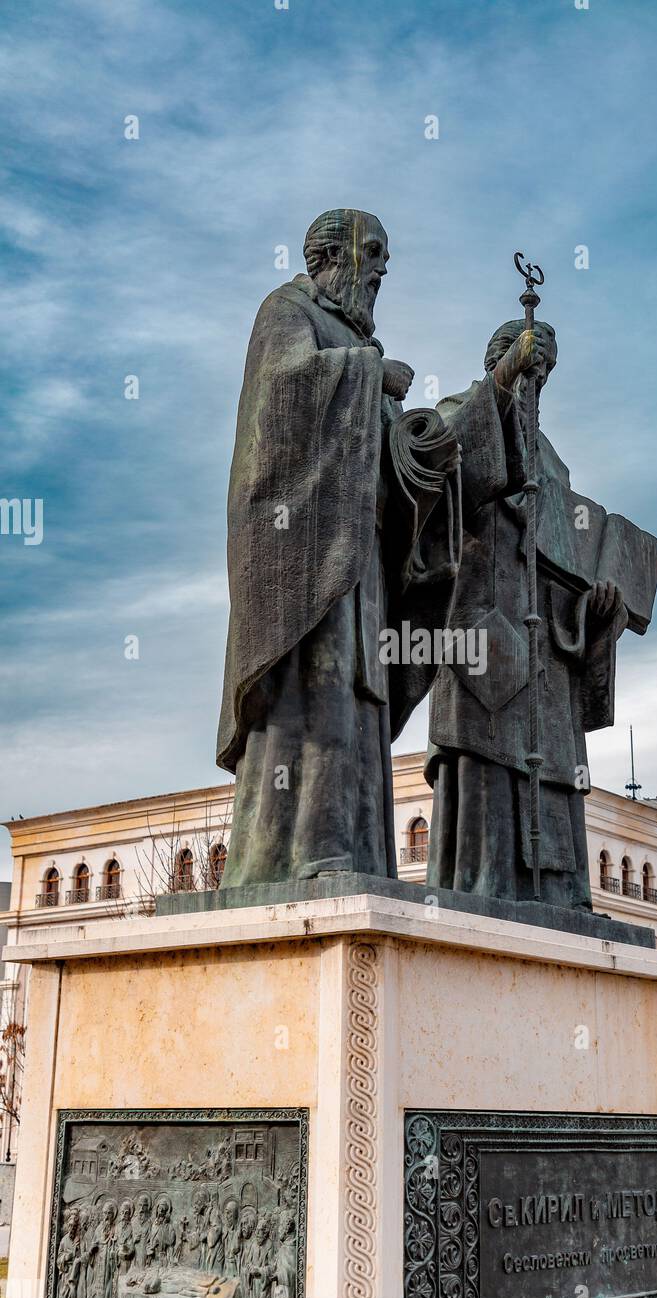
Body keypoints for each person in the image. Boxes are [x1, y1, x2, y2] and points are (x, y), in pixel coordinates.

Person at [218, 208, 460, 886]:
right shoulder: (287, 310)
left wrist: (415, 446)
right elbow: (283, 396)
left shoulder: (350, 336)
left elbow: (381, 462)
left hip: (361, 562)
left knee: (359, 703)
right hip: (303, 559)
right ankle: (288, 857)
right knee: (311, 700)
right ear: (328, 255)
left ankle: (355, 852)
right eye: (373, 252)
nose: (382, 268)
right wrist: (368, 374)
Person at [426, 321, 628, 907]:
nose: (537, 382)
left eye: (545, 374)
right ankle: (482, 891)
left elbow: (563, 573)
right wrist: (500, 382)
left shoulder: (554, 468)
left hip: (548, 664)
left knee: (554, 775)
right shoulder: (459, 416)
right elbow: (433, 476)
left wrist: (592, 616)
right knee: (487, 766)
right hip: (480, 637)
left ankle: (558, 904)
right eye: (529, 367)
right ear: (503, 361)